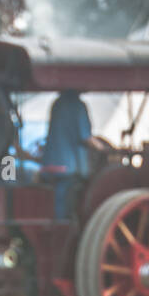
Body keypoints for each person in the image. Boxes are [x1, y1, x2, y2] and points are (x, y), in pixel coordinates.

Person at [41, 90, 110, 218]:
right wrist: (104, 149)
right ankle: (63, 230)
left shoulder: (57, 104)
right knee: (66, 204)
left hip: (52, 163)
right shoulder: (78, 106)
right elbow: (86, 137)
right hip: (69, 166)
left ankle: (58, 226)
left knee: (57, 199)